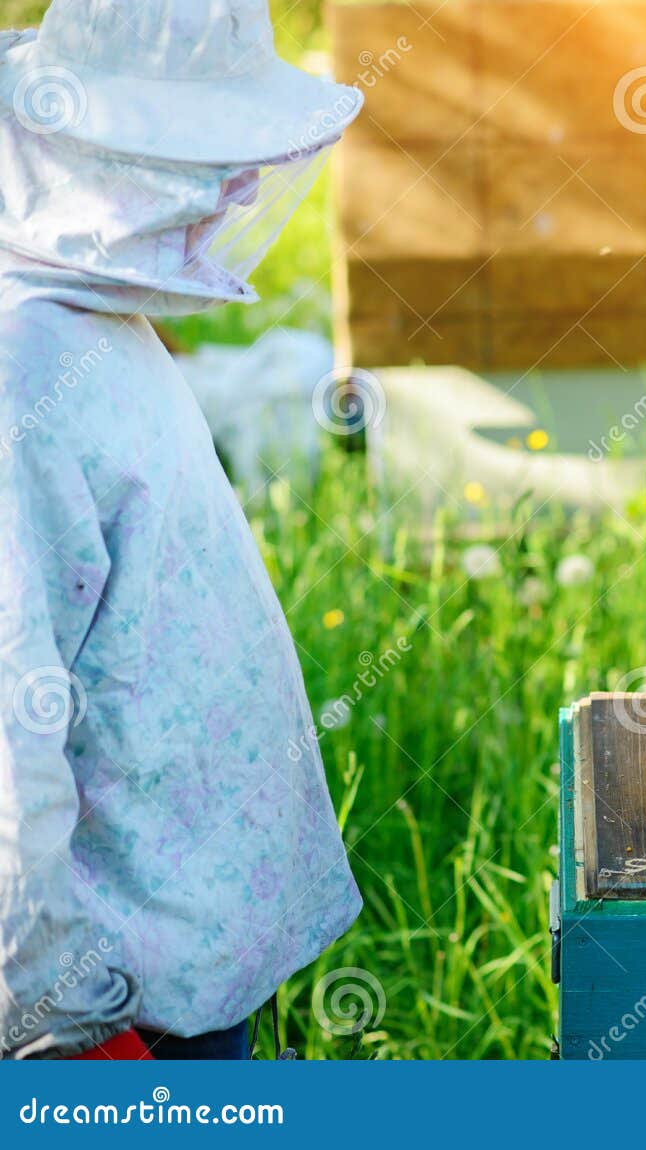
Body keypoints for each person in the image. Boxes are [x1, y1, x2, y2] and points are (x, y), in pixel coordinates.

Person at [0, 0, 364, 1059]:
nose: (239, 188)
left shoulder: (88, 315)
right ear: (107, 148)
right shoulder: (20, 375)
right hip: (109, 1018)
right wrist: (53, 1015)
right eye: (205, 155)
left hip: (177, 962)